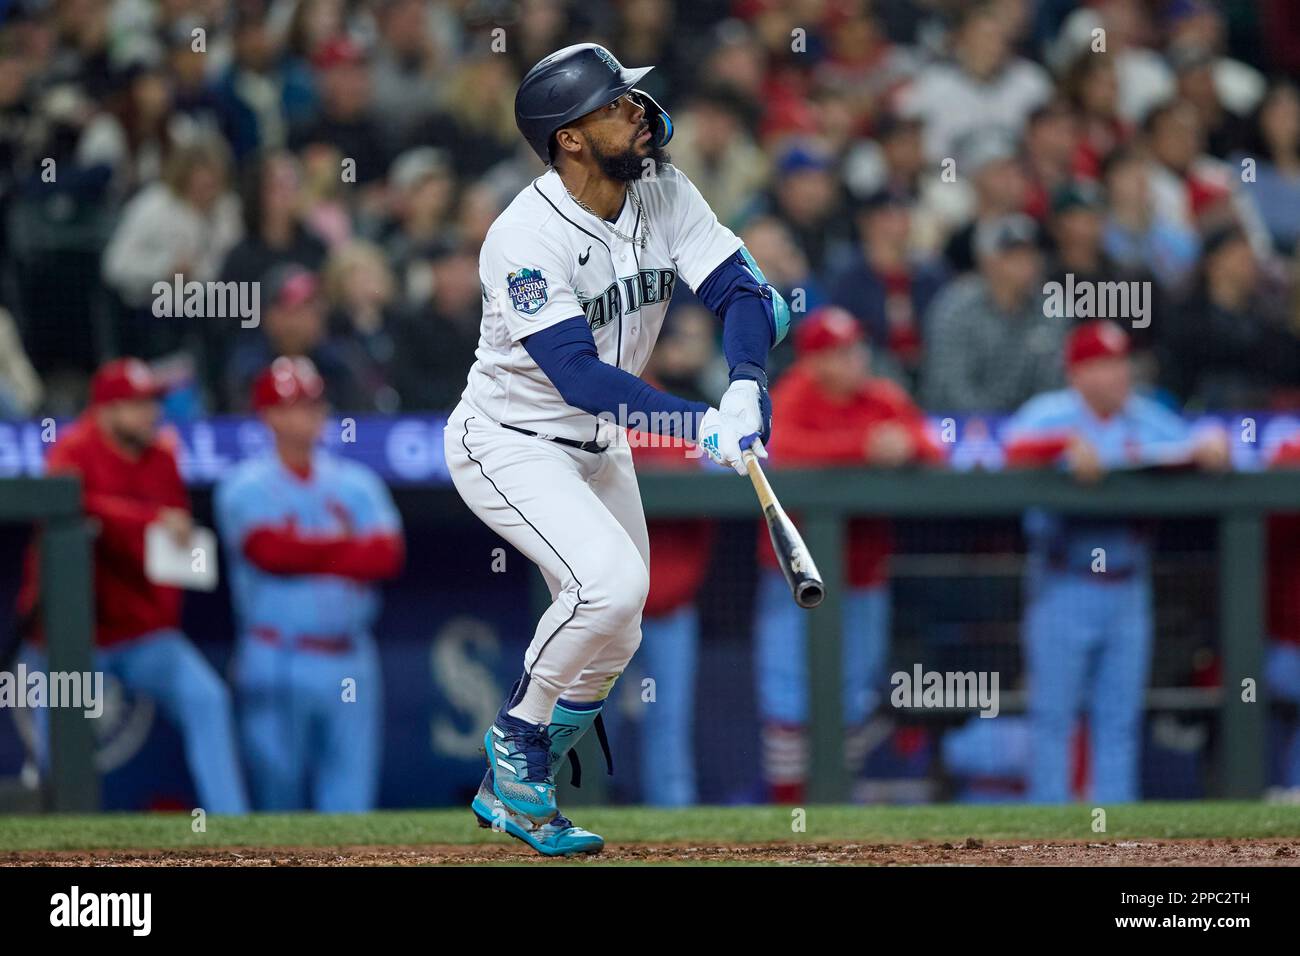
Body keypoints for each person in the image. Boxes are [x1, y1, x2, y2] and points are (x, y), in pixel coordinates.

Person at [443, 43, 787, 856]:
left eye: (633, 101)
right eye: (617, 105)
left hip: (599, 443)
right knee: (610, 583)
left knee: (623, 625)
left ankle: (517, 792)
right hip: (510, 439)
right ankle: (518, 744)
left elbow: (744, 291)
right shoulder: (522, 235)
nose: (640, 113)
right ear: (568, 136)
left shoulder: (662, 190)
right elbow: (576, 375)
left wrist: (745, 383)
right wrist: (696, 423)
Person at [1003, 321, 1230, 803]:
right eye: (1103, 364)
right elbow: (1006, 450)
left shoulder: (1145, 414)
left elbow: (1203, 438)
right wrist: (1061, 450)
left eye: (1121, 361)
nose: (1117, 373)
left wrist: (1212, 443)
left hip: (1128, 585)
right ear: (1077, 372)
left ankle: (1114, 842)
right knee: (1053, 719)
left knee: (1119, 720)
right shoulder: (1049, 414)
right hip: (1063, 581)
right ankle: (1048, 843)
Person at [17, 358, 248, 813]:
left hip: (141, 633)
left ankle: (231, 823)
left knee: (207, 697)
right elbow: (70, 505)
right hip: (69, 637)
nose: (151, 413)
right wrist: (144, 522)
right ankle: (56, 835)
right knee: (56, 740)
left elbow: (171, 543)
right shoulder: (72, 450)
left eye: (152, 403)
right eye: (138, 404)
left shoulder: (161, 455)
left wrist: (159, 608)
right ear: (105, 410)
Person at [753, 307, 943, 803]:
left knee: (855, 695)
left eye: (855, 348)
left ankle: (836, 811)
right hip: (791, 578)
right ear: (813, 362)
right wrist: (864, 444)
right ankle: (789, 813)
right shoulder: (790, 395)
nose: (854, 359)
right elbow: (779, 448)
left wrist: (906, 445)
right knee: (788, 697)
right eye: (838, 352)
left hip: (862, 576)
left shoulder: (880, 396)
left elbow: (932, 444)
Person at [215, 357, 404, 811]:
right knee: (277, 805)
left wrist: (307, 548)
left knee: (350, 809)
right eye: (295, 405)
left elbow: (386, 556)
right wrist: (343, 550)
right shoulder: (242, 485)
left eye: (314, 403)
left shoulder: (358, 483)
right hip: (276, 654)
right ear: (269, 416)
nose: (310, 415)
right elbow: (270, 553)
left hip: (350, 655)